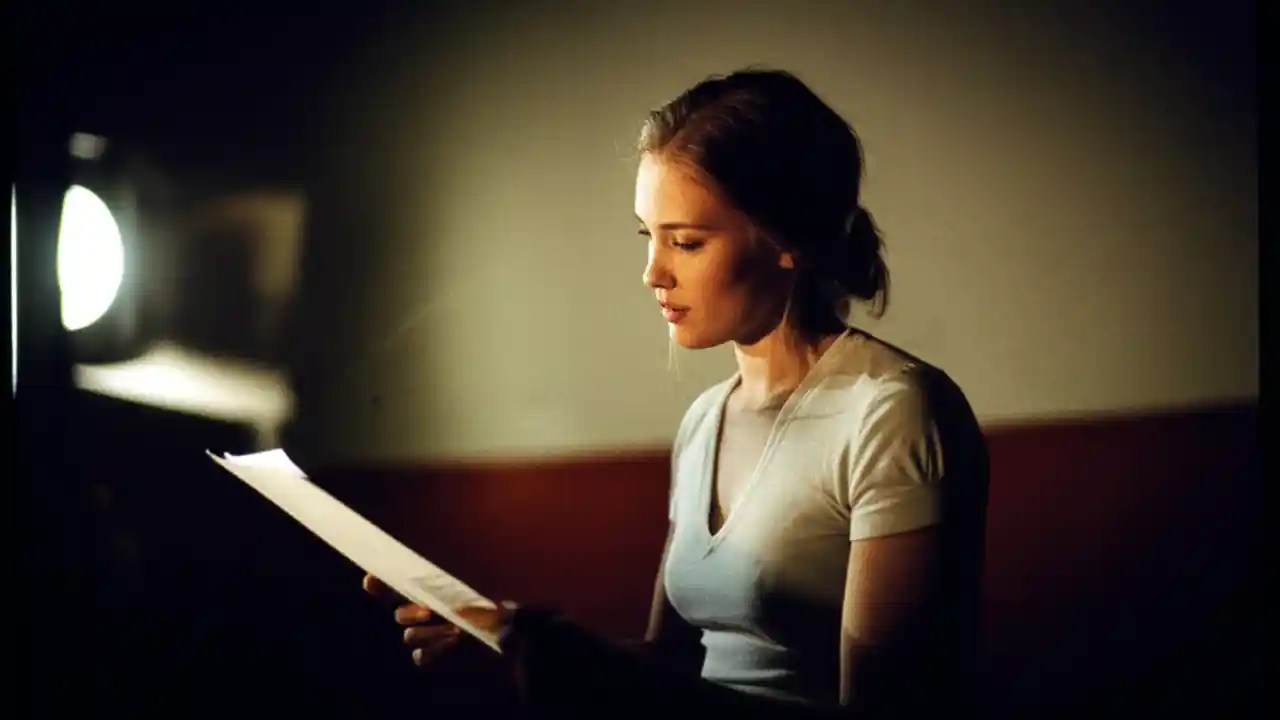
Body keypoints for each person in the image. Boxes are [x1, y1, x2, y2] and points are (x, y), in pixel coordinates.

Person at [364, 67, 989, 718]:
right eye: (649, 237)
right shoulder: (705, 421)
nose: (652, 273)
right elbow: (676, 667)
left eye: (686, 241)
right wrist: (504, 642)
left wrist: (562, 656)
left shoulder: (891, 410)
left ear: (787, 239)